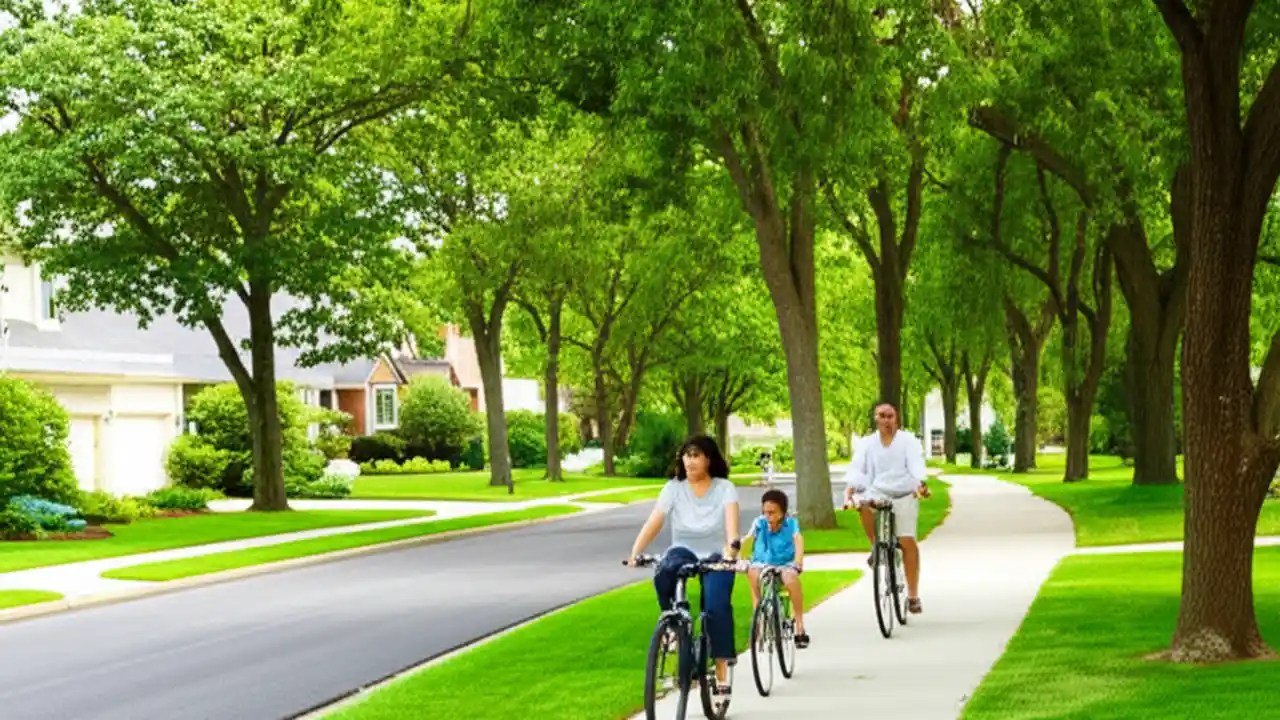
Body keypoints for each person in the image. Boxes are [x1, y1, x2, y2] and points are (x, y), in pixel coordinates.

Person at [627, 435, 741, 696]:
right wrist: (636, 552)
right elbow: (655, 521)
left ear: (708, 459)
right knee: (665, 569)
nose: (689, 460)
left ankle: (722, 668)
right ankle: (674, 624)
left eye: (696, 455)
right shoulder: (673, 488)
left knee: (716, 607)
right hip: (684, 550)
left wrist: (731, 550)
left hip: (715, 554)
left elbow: (732, 527)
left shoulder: (724, 487)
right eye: (686, 455)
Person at [842, 401, 930, 614]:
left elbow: (916, 465)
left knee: (907, 541)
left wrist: (921, 484)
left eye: (890, 416)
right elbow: (857, 469)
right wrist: (850, 491)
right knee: (863, 505)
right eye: (882, 416)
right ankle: (877, 547)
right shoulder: (867, 444)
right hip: (878, 492)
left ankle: (912, 595)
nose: (886, 420)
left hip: (904, 492)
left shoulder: (908, 441)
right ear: (876, 419)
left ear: (896, 418)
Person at [743, 488, 809, 648]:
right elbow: (747, 539)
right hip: (761, 562)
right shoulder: (759, 523)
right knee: (752, 572)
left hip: (784, 563)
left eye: (772, 512)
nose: (768, 516)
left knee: (790, 579)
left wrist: (798, 561)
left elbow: (798, 539)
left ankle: (799, 624)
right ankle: (758, 615)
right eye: (765, 512)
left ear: (782, 512)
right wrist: (738, 556)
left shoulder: (791, 524)